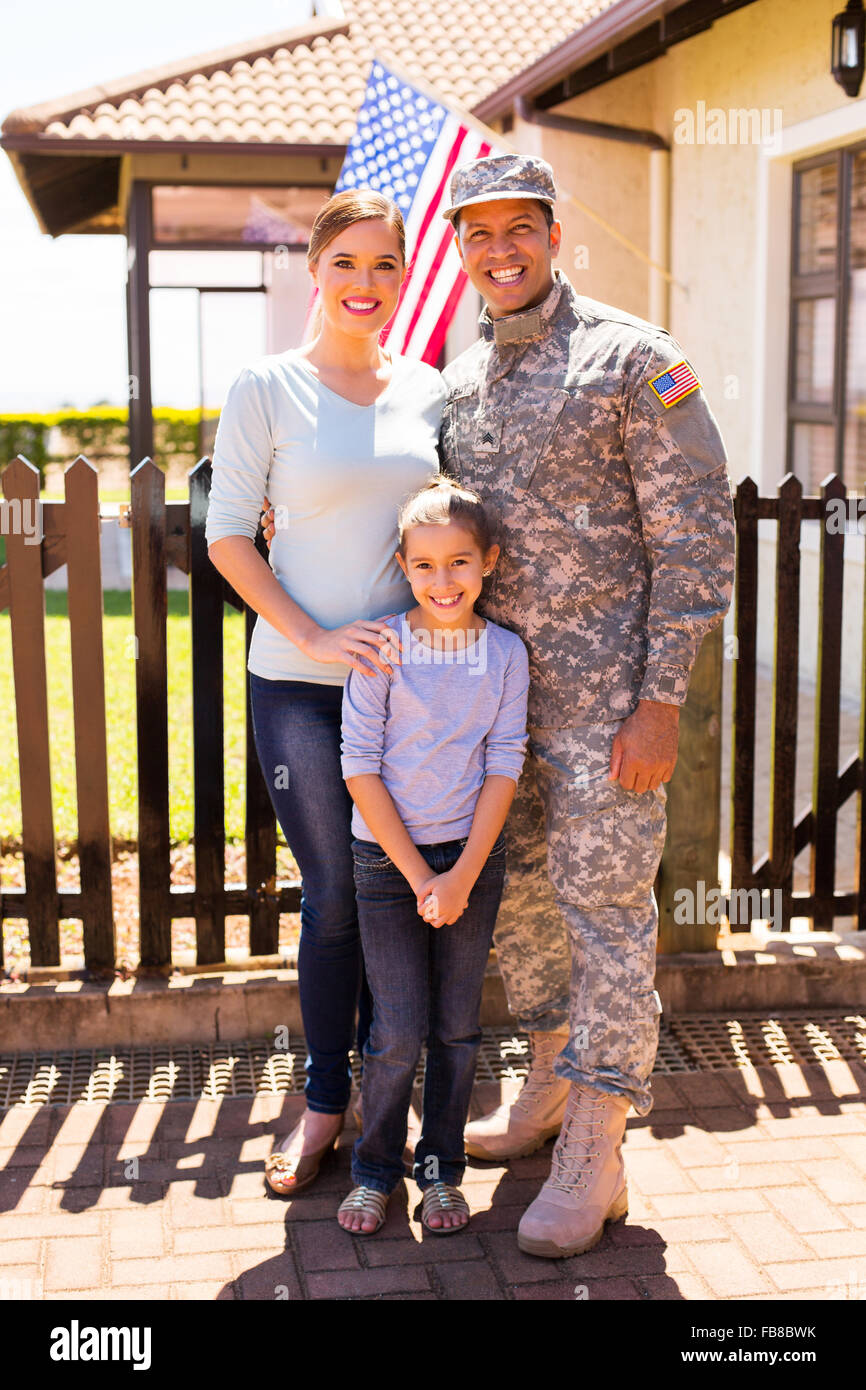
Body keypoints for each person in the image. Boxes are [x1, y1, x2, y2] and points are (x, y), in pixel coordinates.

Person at [435, 152, 737, 1257]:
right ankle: (550, 1089)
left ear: (555, 235)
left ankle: (598, 1144)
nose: (498, 249)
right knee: (520, 912)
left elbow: (696, 537)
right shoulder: (461, 376)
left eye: (519, 227)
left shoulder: (633, 359)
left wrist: (658, 700)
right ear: (460, 248)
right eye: (478, 233)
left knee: (606, 918)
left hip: (606, 710)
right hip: (497, 714)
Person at [205, 189, 445, 1196]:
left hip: (407, 698)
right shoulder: (266, 386)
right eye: (345, 263)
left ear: (402, 276)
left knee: (395, 892)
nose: (364, 283)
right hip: (299, 688)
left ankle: (392, 1101)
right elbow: (226, 533)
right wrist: (309, 632)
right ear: (315, 269)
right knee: (335, 895)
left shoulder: (430, 390)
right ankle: (321, 1103)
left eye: (383, 265)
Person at [335, 476, 529, 1236]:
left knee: (456, 1027)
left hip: (472, 860)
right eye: (424, 565)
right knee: (398, 1030)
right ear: (403, 565)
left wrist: (463, 874)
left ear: (489, 562)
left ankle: (441, 1172)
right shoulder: (382, 646)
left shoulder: (506, 655)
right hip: (388, 863)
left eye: (459, 562)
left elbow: (505, 762)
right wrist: (423, 877)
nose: (442, 580)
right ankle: (376, 1170)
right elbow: (359, 766)